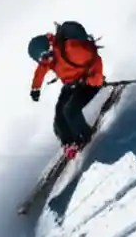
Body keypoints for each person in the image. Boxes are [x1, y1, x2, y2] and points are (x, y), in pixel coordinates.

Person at [28, 21, 104, 158]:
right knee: (59, 118)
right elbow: (40, 71)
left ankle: (85, 135)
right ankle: (69, 143)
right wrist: (35, 88)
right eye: (43, 59)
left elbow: (95, 59)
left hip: (88, 83)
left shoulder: (71, 49)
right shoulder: (48, 59)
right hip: (71, 85)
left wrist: (95, 79)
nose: (47, 61)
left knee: (70, 110)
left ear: (50, 47)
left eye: (46, 56)